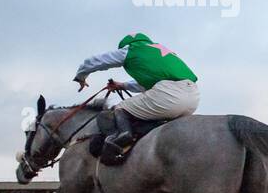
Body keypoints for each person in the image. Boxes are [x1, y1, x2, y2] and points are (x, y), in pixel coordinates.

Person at [72, 33, 200, 164]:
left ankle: (122, 138)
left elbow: (93, 62)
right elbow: (151, 81)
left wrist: (80, 76)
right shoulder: (161, 51)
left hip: (168, 95)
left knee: (119, 108)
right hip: (193, 97)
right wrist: (122, 85)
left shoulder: (130, 49)